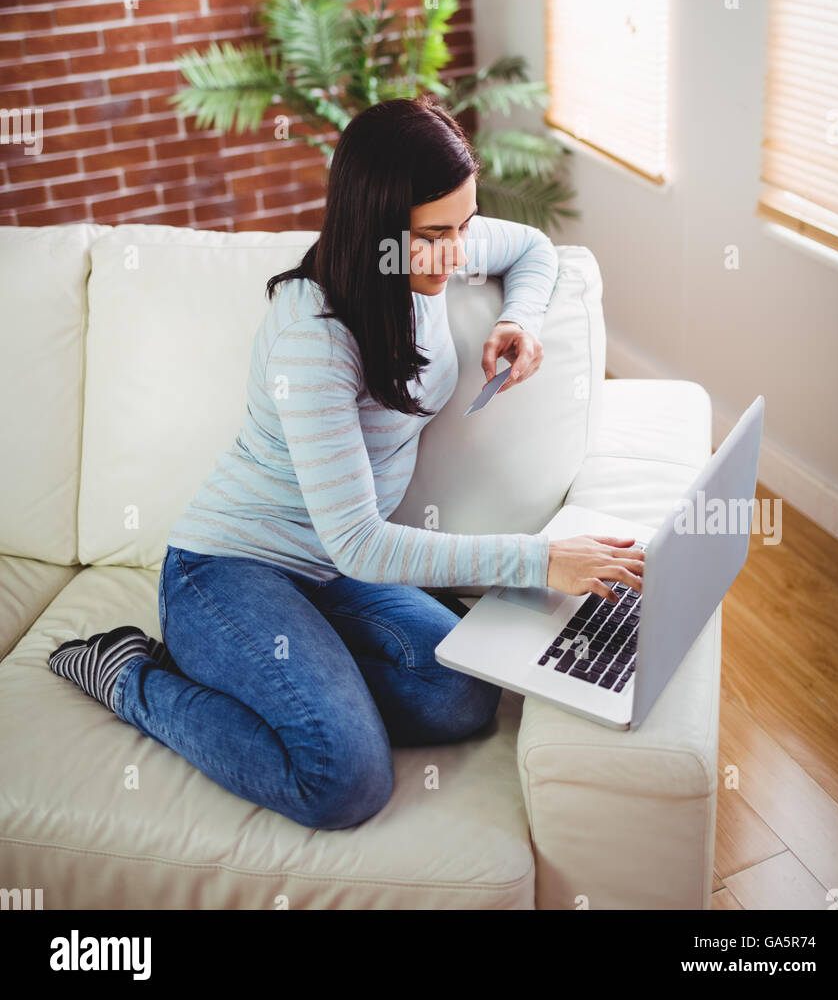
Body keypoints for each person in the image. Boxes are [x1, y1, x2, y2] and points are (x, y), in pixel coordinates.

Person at [48, 96, 643, 829]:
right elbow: (359, 539)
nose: (459, 253)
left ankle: (267, 677)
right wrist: (542, 560)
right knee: (345, 781)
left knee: (463, 697)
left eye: (464, 224)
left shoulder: (429, 250)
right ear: (378, 229)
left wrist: (520, 318)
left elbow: (533, 249)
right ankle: (131, 675)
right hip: (227, 570)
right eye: (438, 236)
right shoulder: (315, 336)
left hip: (329, 574)